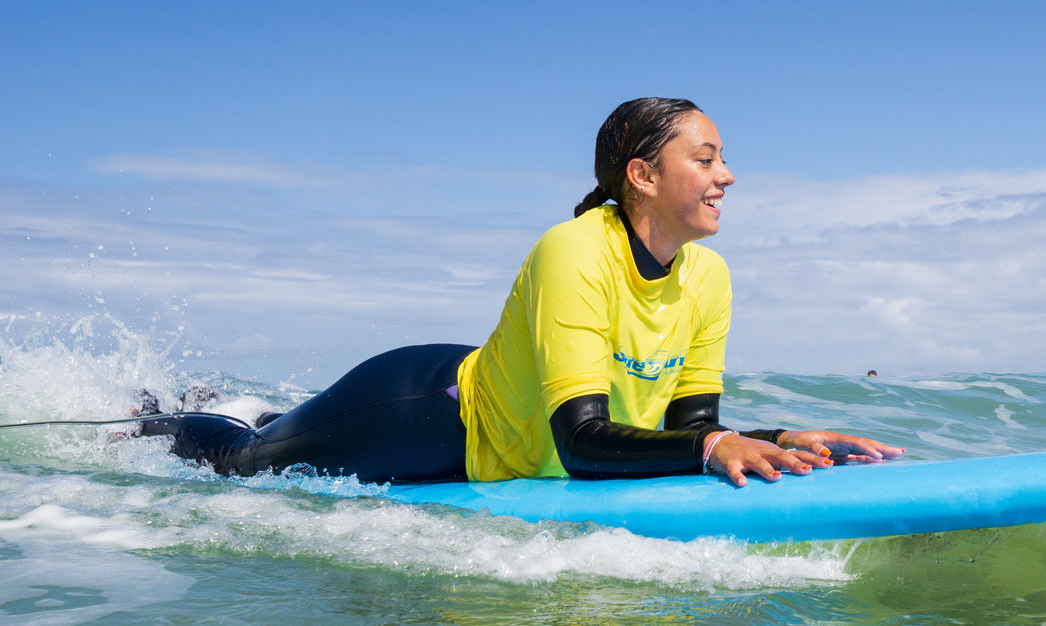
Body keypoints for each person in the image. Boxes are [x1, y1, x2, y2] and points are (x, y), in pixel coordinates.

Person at [135, 98, 901, 486]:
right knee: (247, 463)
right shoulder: (574, 251)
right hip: (427, 415)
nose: (727, 175)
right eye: (705, 158)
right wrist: (711, 447)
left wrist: (775, 438)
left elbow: (688, 424)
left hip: (502, 411)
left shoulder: (710, 276)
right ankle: (158, 419)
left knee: (278, 428)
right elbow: (583, 440)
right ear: (641, 175)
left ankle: (253, 403)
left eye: (724, 158)